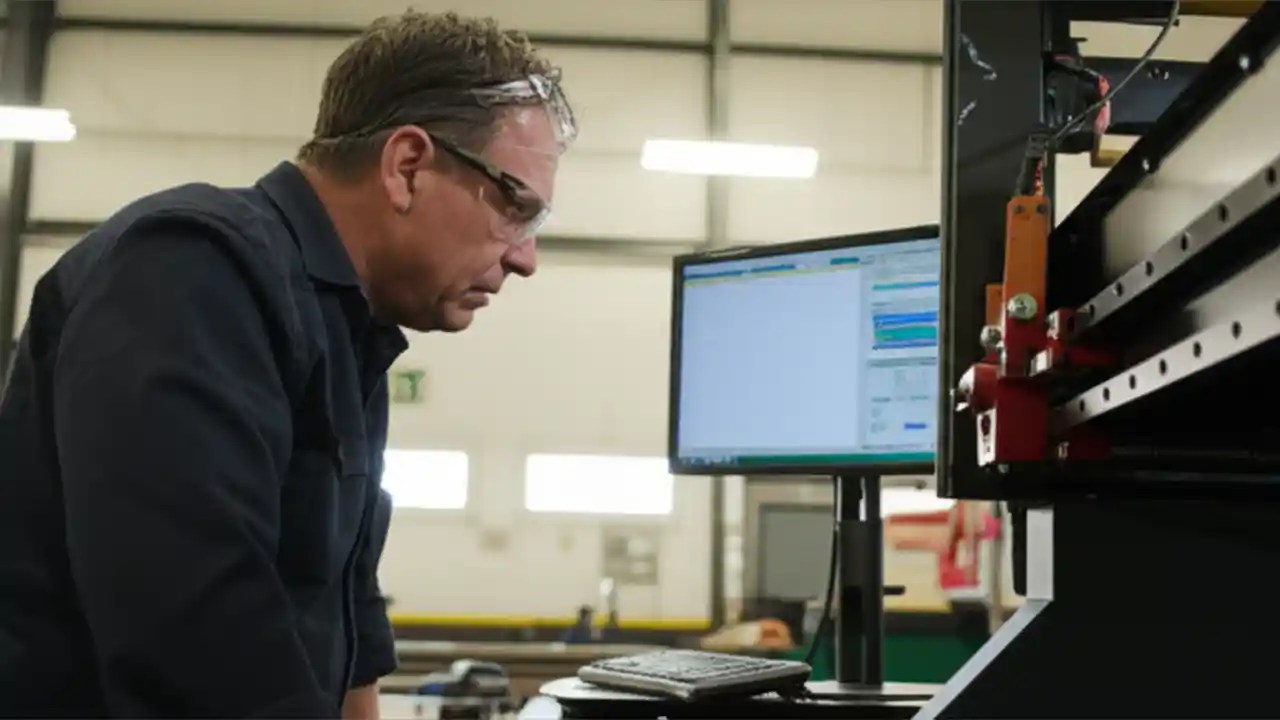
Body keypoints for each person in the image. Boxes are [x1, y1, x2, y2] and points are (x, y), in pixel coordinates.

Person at [0, 10, 575, 718]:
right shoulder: (191, 271)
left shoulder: (346, 328)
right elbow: (200, 640)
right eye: (515, 206)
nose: (526, 258)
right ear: (407, 167)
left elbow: (347, 616)